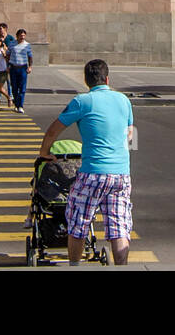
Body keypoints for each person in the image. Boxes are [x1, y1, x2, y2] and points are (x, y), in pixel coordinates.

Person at [38, 58, 135, 266]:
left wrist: (45, 152)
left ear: (86, 81)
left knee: (78, 224)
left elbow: (53, 130)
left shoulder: (82, 101)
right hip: (120, 174)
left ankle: (74, 267)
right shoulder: (123, 100)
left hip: (93, 173)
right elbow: (129, 135)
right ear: (107, 79)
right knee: (119, 228)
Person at [8, 29, 33, 113]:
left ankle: (20, 105)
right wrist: (8, 65)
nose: (22, 37)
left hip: (23, 68)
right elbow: (8, 54)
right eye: (21, 35)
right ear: (17, 36)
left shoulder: (27, 45)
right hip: (13, 68)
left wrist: (30, 67)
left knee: (22, 88)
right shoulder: (12, 44)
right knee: (14, 87)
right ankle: (16, 104)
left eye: (23, 36)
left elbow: (30, 56)